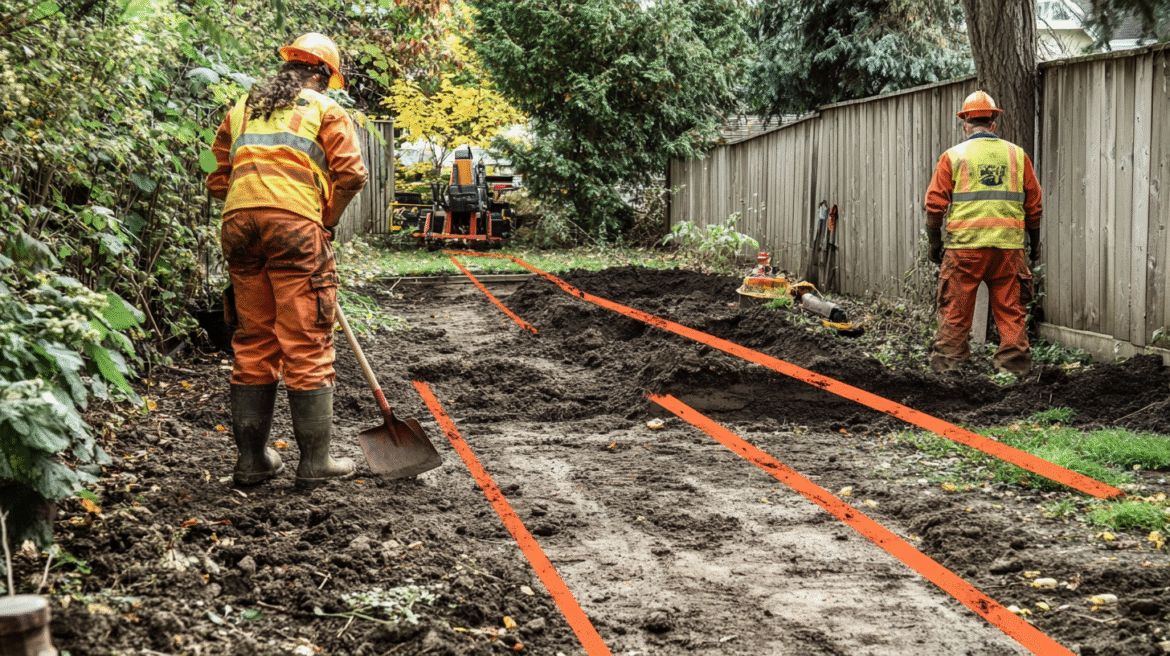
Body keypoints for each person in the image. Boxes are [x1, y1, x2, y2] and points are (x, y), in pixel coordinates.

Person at [206, 33, 367, 487]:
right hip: (295, 228)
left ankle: (252, 461)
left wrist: (251, 203)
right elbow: (353, 174)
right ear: (320, 74)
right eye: (329, 80)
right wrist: (327, 218)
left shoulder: (240, 109)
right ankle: (315, 463)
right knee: (305, 341)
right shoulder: (323, 109)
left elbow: (217, 179)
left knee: (254, 339)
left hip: (238, 226)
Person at [923, 90, 1042, 376]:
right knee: (1011, 312)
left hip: (964, 251)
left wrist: (934, 245)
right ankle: (1013, 372)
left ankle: (949, 371)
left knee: (955, 313)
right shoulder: (1017, 155)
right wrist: (1034, 245)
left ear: (965, 124)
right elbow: (1034, 206)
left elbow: (934, 206)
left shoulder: (953, 156)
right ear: (993, 124)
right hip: (1008, 251)